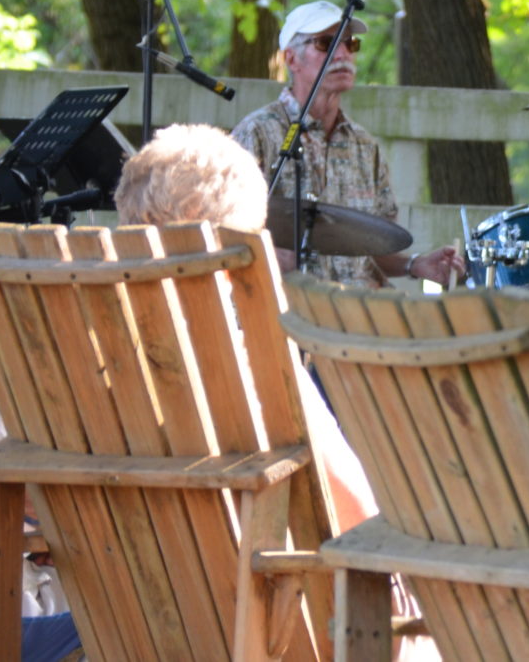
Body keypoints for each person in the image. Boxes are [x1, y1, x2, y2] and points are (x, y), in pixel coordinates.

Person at [113, 123, 377, 532]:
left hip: (106, 567)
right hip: (246, 570)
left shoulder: (82, 353)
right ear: (234, 256)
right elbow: (355, 512)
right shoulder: (256, 364)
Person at [230, 0, 463, 289]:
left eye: (350, 44)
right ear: (291, 59)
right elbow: (222, 231)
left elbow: (374, 248)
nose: (342, 54)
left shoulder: (365, 146)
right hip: (289, 304)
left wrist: (415, 264)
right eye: (326, 43)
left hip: (360, 307)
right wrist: (266, 254)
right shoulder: (256, 133)